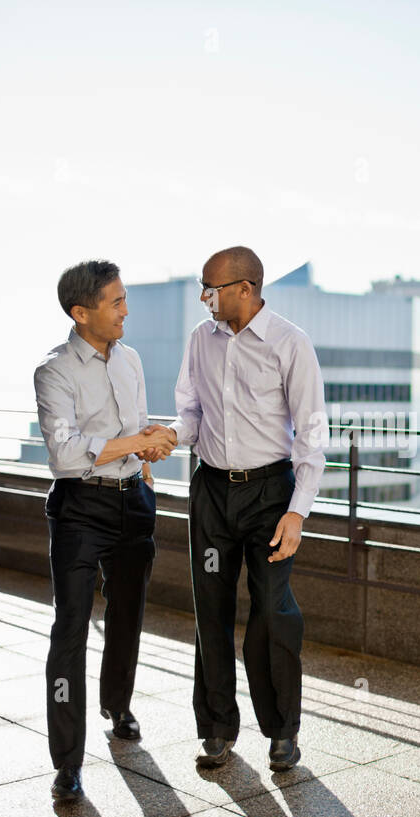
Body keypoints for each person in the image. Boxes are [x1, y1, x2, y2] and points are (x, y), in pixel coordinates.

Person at [159, 246, 326, 772]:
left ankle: (281, 731)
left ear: (246, 289)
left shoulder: (290, 343)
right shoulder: (200, 340)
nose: (205, 297)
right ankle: (215, 729)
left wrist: (297, 512)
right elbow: (190, 411)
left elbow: (311, 435)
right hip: (211, 491)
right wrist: (169, 433)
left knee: (273, 612)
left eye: (213, 288)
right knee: (210, 609)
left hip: (270, 496)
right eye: (203, 288)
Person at [34, 259, 178, 802]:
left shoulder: (132, 360)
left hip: (133, 502)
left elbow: (133, 430)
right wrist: (136, 444)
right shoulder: (54, 371)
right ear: (81, 312)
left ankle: (117, 704)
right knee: (69, 630)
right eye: (115, 302)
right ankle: (67, 761)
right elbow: (68, 456)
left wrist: (148, 455)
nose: (125, 310)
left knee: (128, 616)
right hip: (79, 510)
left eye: (124, 299)